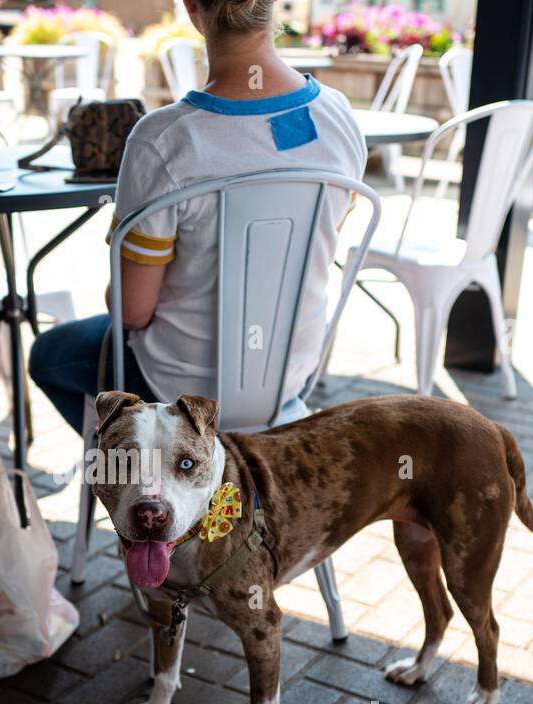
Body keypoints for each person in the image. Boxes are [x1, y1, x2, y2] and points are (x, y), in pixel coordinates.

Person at [27, 0, 367, 431]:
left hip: (176, 391)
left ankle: (142, 477)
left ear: (191, 8)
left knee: (48, 356)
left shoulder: (164, 139)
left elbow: (132, 314)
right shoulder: (338, 118)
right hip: (288, 380)